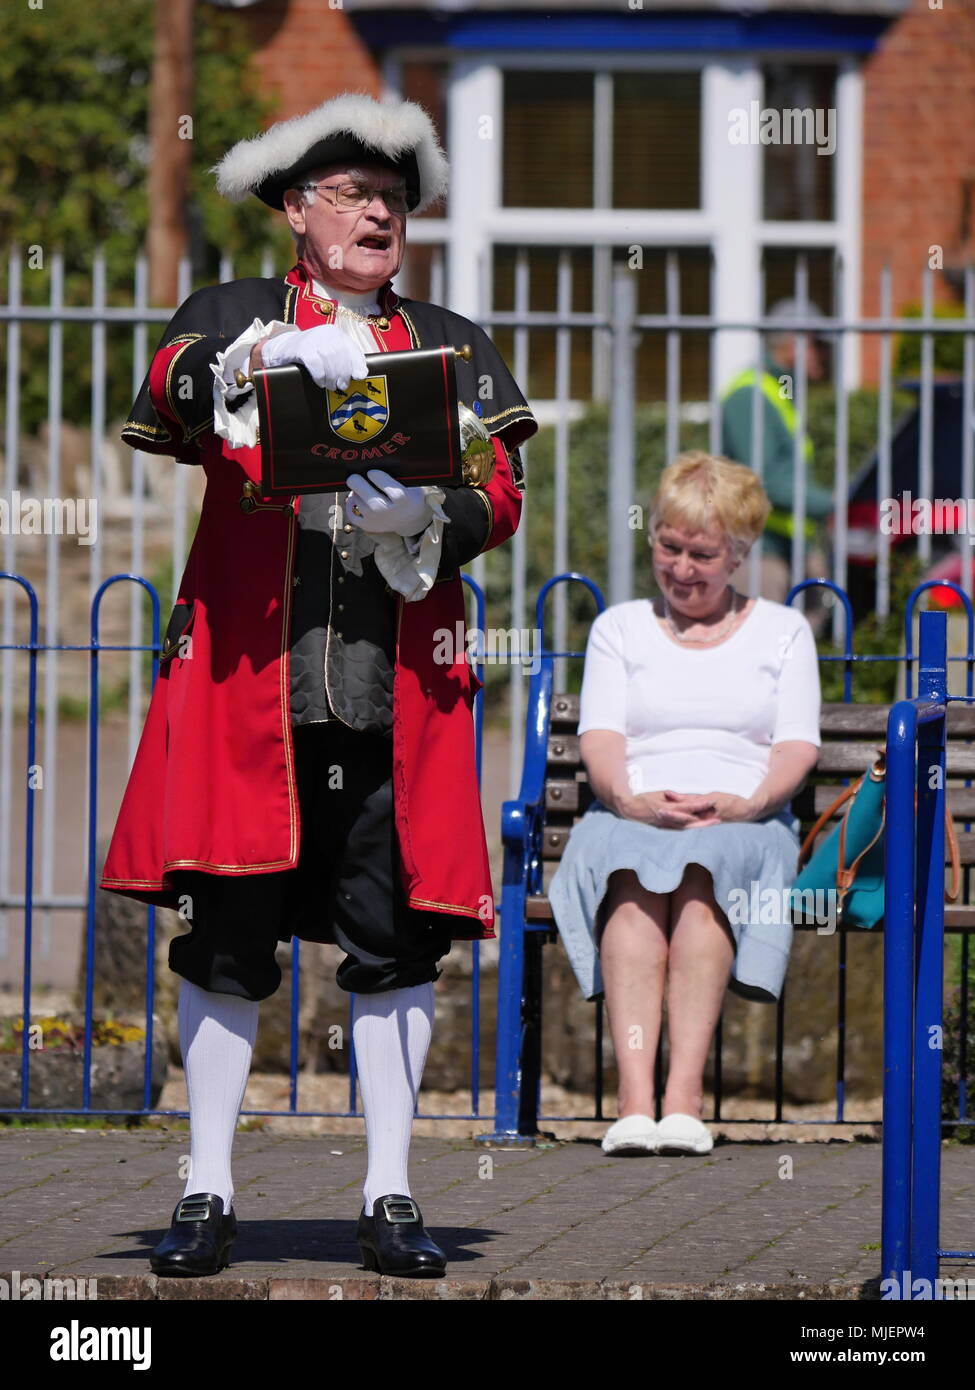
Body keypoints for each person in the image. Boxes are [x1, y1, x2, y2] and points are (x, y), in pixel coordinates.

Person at [99, 93, 536, 1276]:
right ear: (296, 210)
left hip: (390, 700)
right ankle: (205, 1191)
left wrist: (428, 514)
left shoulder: (446, 341)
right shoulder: (232, 315)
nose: (377, 212)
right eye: (350, 193)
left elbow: (499, 490)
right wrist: (245, 366)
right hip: (254, 693)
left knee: (393, 942)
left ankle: (391, 1193)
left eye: (393, 198)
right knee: (226, 940)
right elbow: (173, 390)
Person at [548, 452, 821, 1157]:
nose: (681, 568)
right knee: (634, 887)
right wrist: (629, 800)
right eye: (668, 548)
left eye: (701, 554)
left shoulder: (783, 632)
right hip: (633, 810)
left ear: (737, 555)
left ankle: (683, 1101)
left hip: (741, 815)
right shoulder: (620, 628)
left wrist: (749, 801)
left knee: (702, 887)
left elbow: (796, 746)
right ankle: (635, 1106)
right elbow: (601, 737)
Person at [720, 298, 834, 612]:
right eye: (819, 345)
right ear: (794, 343)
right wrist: (833, 504)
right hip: (760, 552)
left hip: (789, 547)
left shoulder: (779, 392)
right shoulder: (750, 395)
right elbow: (764, 479)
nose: (824, 355)